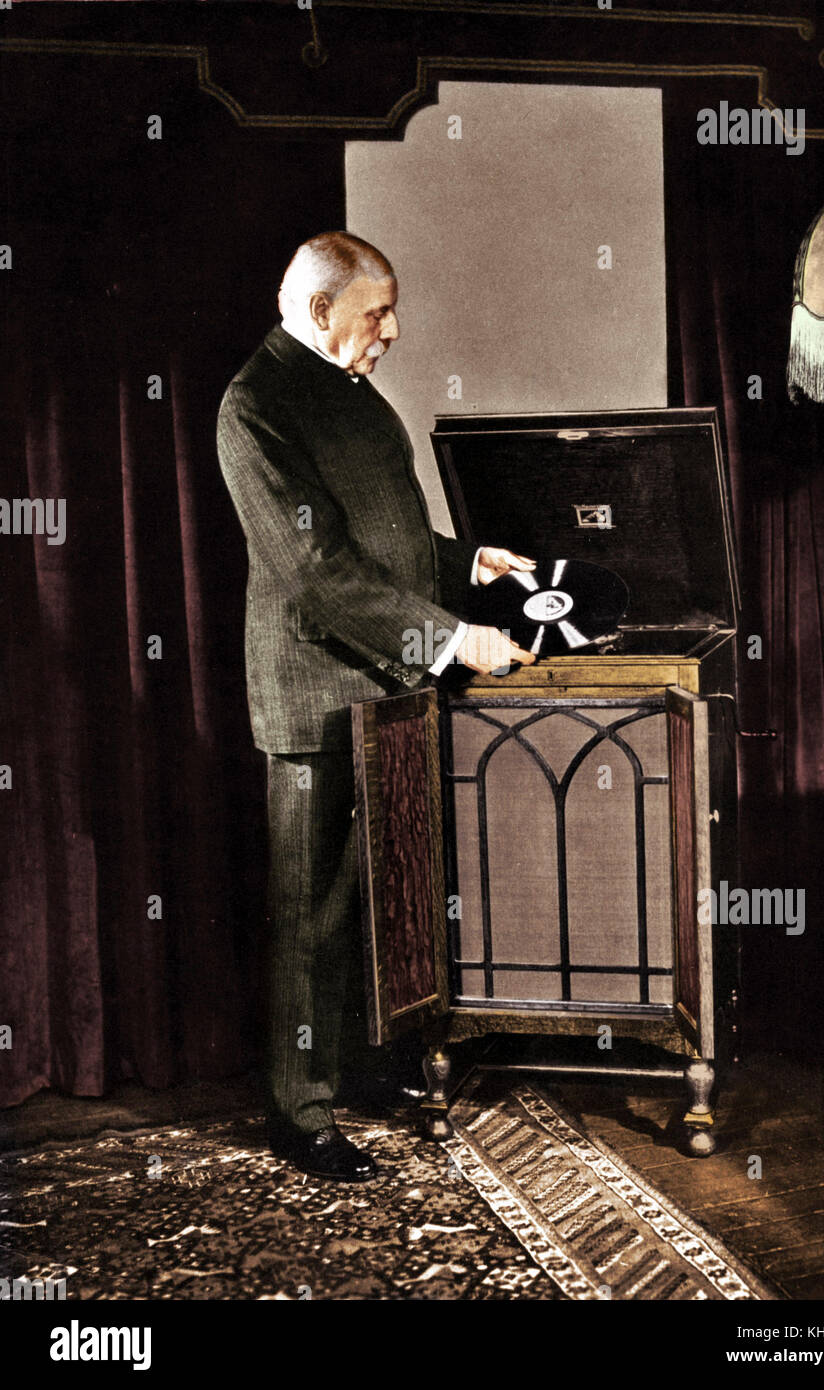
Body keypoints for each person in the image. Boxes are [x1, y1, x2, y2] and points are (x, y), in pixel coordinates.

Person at [217, 231, 535, 1181]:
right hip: (314, 700)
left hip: (381, 690)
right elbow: (316, 574)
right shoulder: (255, 406)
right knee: (309, 917)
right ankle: (301, 1113)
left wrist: (463, 562)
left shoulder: (347, 385)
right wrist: (446, 639)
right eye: (377, 312)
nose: (392, 329)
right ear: (321, 312)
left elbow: (383, 532)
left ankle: (357, 1071)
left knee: (375, 899)